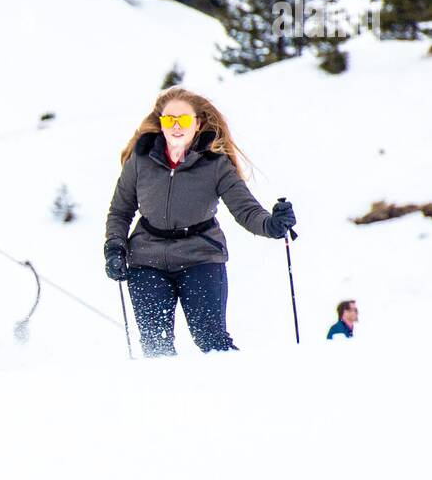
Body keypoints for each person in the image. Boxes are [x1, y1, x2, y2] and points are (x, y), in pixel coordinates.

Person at [103, 88, 297, 356]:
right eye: (169, 120)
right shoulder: (140, 160)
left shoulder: (215, 164)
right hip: (146, 260)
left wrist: (272, 225)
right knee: (156, 345)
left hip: (200, 257)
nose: (176, 127)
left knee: (211, 340)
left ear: (199, 123)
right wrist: (114, 248)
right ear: (160, 122)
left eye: (183, 120)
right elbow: (120, 211)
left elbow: (246, 210)